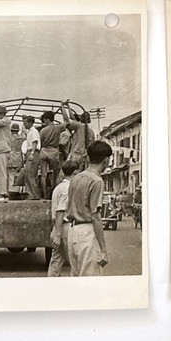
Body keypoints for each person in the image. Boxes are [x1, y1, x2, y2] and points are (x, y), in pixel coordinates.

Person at [65, 141, 113, 276]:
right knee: (90, 281)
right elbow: (96, 216)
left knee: (76, 276)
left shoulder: (76, 178)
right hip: (86, 232)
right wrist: (103, 249)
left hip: (72, 231)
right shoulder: (97, 181)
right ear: (106, 160)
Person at [48, 159, 78, 277]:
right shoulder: (67, 188)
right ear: (75, 173)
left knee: (55, 263)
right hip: (65, 228)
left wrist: (56, 232)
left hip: (57, 227)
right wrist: (59, 235)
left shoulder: (59, 187)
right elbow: (60, 211)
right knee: (74, 263)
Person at [62, 103, 95, 170]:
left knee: (69, 171)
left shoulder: (79, 126)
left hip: (76, 153)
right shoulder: (91, 132)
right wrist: (68, 107)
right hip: (85, 156)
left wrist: (62, 106)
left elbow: (67, 118)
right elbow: (72, 118)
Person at [39, 110, 64, 195]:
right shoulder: (58, 128)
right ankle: (55, 193)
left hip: (44, 150)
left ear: (47, 119)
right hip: (54, 151)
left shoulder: (43, 131)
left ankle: (45, 194)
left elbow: (40, 142)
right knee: (56, 173)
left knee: (43, 174)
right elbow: (67, 123)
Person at [21, 115, 42, 199]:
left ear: (30, 123)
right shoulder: (30, 131)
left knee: (31, 174)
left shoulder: (34, 131)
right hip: (30, 152)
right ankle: (31, 193)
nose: (24, 124)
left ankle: (34, 194)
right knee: (28, 174)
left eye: (25, 123)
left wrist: (32, 153)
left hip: (33, 152)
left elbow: (34, 142)